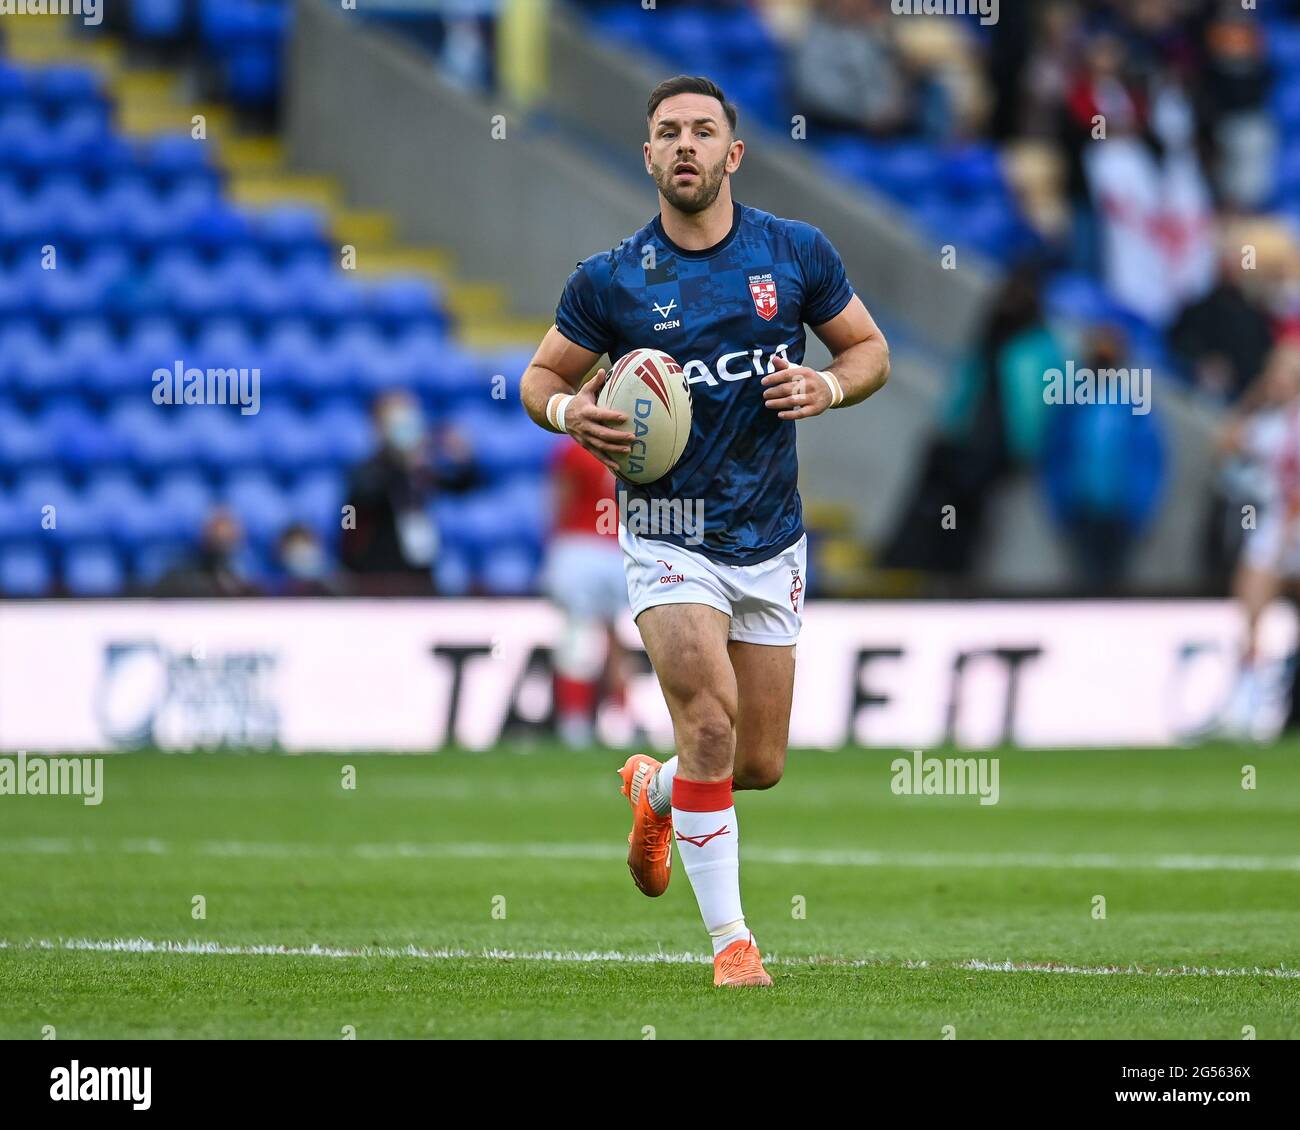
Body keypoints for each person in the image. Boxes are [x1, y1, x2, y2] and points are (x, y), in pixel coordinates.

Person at [520, 75, 890, 988]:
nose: (684, 145)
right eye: (666, 133)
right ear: (647, 156)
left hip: (770, 538)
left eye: (701, 131)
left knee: (754, 763)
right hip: (666, 533)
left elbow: (870, 350)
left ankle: (656, 789)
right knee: (712, 724)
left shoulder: (795, 253)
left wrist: (829, 386)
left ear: (733, 152)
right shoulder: (610, 280)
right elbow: (535, 379)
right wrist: (572, 410)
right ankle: (733, 944)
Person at [1217, 343, 1300, 739]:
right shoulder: (1272, 424)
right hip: (1276, 526)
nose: (1277, 380)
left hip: (1291, 526)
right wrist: (1253, 397)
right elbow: (1224, 445)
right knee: (1250, 609)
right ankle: (1247, 700)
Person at [541, 441, 636, 749]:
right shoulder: (640, 440)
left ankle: (575, 724)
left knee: (577, 636)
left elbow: (560, 499)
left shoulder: (575, 446)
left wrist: (551, 543)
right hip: (620, 547)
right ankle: (619, 720)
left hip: (578, 548)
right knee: (615, 638)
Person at [340, 390, 479, 593]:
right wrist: (401, 465)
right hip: (378, 579)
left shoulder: (421, 468)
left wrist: (463, 460)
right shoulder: (366, 471)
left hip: (420, 574)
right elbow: (364, 497)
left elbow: (461, 486)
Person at [154, 507, 258, 597]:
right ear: (203, 535)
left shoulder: (251, 584)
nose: (223, 537)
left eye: (229, 533)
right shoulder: (182, 579)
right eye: (217, 532)